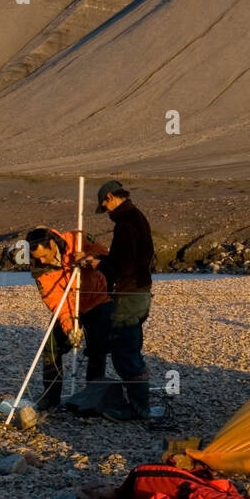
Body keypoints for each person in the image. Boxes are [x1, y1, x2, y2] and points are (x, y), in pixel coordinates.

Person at [74, 180, 155, 421]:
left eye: (105, 206)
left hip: (129, 293)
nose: (106, 211)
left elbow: (123, 266)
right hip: (139, 291)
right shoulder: (135, 218)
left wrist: (96, 263)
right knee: (131, 348)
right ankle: (139, 403)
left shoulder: (126, 223)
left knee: (124, 350)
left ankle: (138, 409)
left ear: (110, 197)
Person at [26, 227, 111, 412]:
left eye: (44, 255)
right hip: (68, 305)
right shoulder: (38, 266)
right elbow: (55, 300)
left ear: (52, 244)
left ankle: (92, 397)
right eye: (36, 257)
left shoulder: (77, 239)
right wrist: (70, 326)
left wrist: (88, 258)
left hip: (98, 300)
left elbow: (105, 254)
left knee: (97, 350)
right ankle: (50, 396)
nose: (41, 260)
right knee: (50, 347)